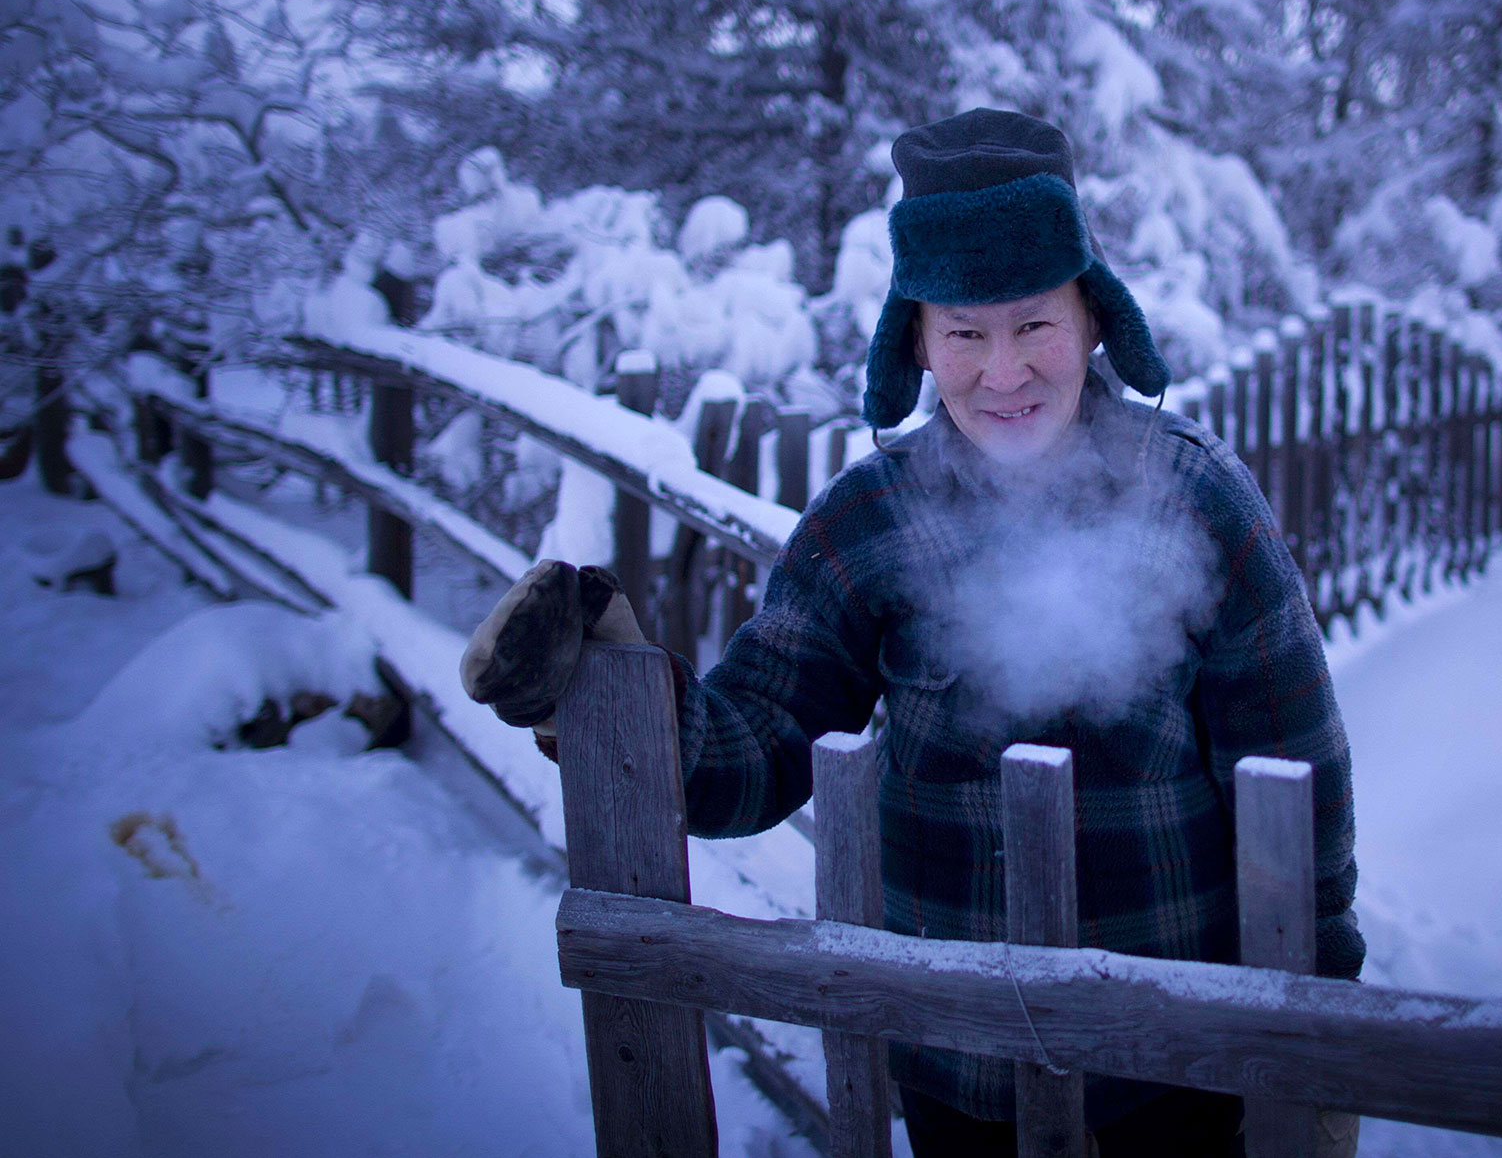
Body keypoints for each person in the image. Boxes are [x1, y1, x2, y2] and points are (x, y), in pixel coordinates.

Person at [461, 109, 1362, 1156]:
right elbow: (754, 749)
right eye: (963, 334)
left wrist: (1315, 1041)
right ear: (918, 342)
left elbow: (1298, 785)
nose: (1003, 372)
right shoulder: (866, 522)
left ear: (1091, 318)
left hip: (1168, 1071)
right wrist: (603, 684)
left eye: (1033, 325)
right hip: (950, 1068)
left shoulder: (1198, 503)